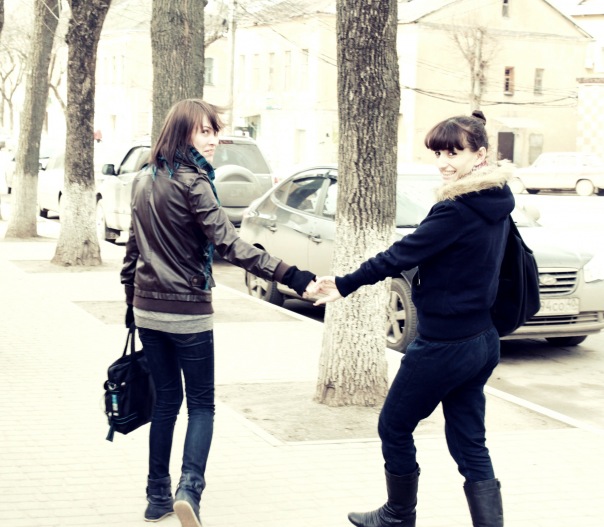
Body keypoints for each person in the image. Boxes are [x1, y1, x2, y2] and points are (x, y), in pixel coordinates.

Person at [120, 99, 315, 527]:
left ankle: (156, 496)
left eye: (215, 131)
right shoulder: (195, 183)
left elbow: (133, 250)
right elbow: (230, 244)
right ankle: (189, 490)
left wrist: (131, 302)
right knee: (202, 405)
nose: (213, 140)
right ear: (182, 133)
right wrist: (292, 275)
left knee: (166, 402)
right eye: (204, 131)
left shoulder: (143, 178)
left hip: (148, 310)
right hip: (188, 312)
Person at [311, 111, 510, 527]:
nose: (444, 163)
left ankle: (398, 515)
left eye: (454, 153)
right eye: (438, 153)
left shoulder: (456, 210)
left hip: (444, 344)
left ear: (480, 155)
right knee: (470, 441)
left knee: (394, 426)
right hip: (481, 340)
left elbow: (399, 255)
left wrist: (344, 284)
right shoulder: (497, 201)